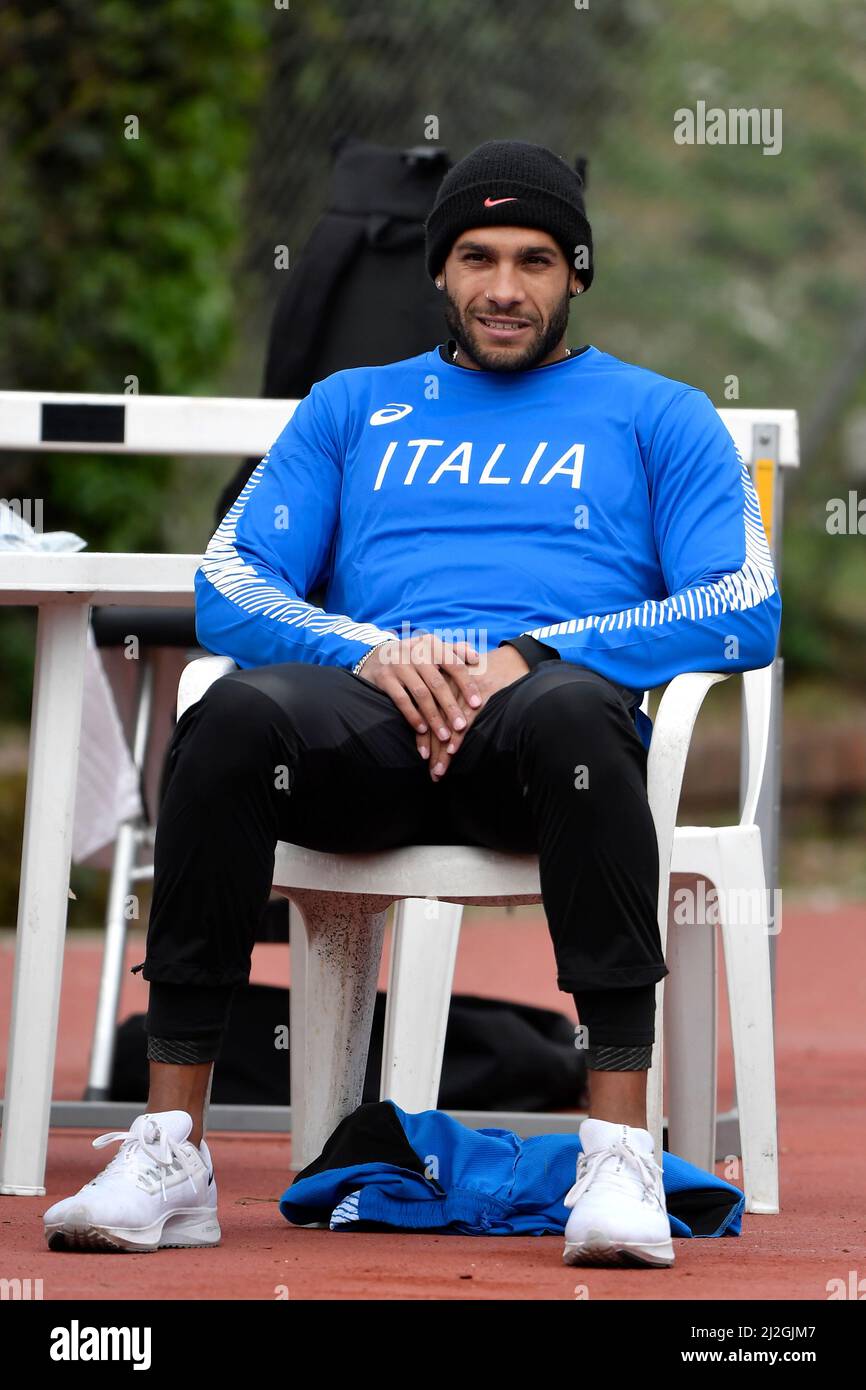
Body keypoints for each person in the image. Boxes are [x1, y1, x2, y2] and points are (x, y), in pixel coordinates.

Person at [43, 139, 781, 1266]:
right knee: (230, 717)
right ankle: (170, 1146)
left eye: (534, 259)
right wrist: (374, 651)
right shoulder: (350, 408)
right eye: (475, 257)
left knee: (581, 719)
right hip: (366, 739)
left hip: (541, 751)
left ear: (575, 273)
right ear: (437, 271)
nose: (501, 287)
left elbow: (741, 605)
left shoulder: (658, 415)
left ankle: (616, 1153)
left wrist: (529, 654)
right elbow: (229, 586)